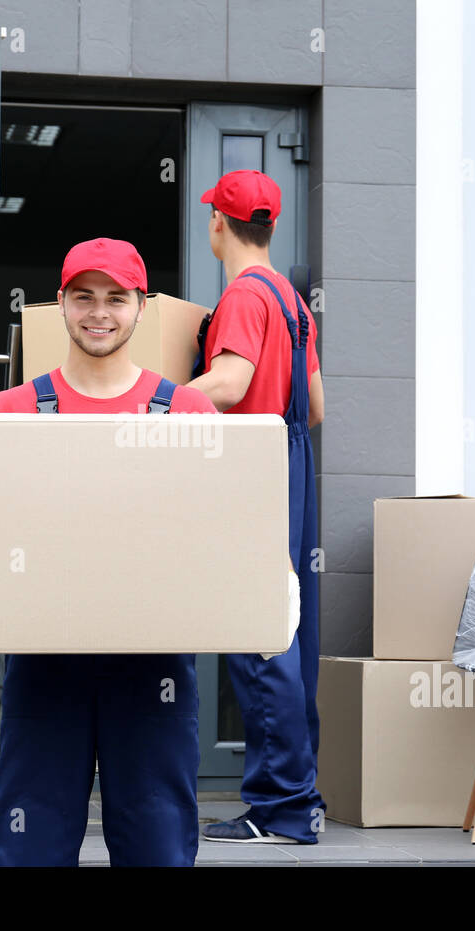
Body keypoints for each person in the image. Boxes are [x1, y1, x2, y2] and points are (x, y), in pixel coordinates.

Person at [0, 238, 219, 866]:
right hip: (45, 662)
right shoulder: (9, 410)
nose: (99, 313)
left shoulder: (186, 409)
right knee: (32, 843)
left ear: (139, 309)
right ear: (61, 306)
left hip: (152, 664)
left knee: (158, 842)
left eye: (115, 299)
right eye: (84, 298)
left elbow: (223, 531)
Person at [188, 169, 328, 845]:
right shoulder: (293, 301)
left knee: (258, 635)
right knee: (290, 631)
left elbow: (232, 382)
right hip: (292, 458)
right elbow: (319, 407)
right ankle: (302, 796)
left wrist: (154, 397)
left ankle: (279, 810)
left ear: (218, 223)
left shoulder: (245, 295)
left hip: (251, 464)